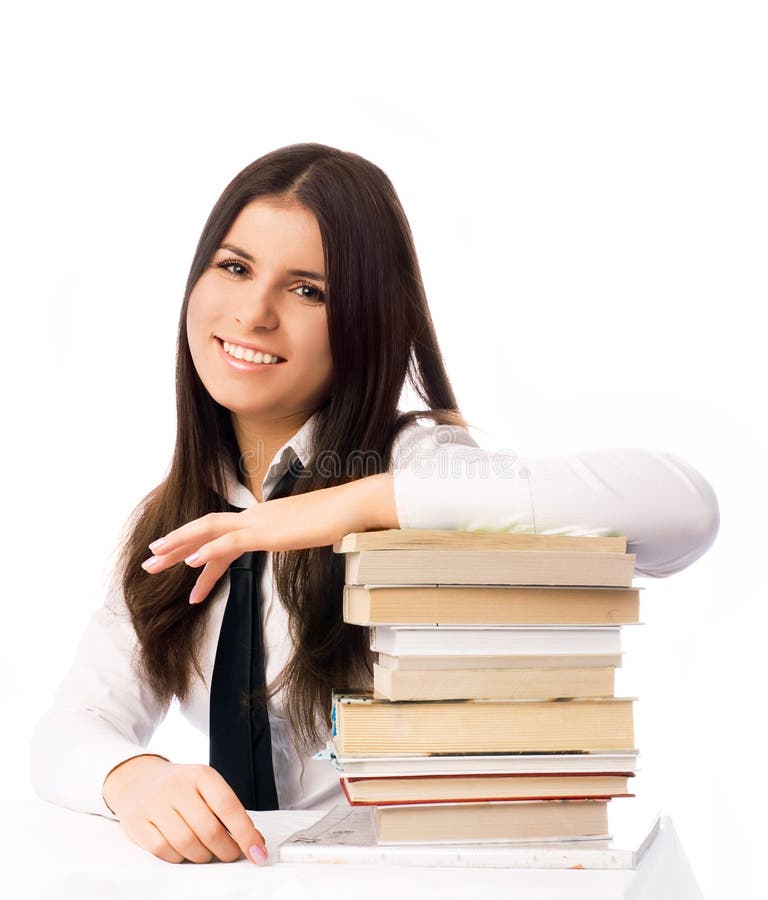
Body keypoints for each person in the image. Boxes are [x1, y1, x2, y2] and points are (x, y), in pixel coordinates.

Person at [29, 143, 720, 867]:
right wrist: (131, 778)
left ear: (364, 318)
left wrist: (352, 505)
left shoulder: (418, 471)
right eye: (235, 268)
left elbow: (684, 509)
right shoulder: (176, 518)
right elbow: (71, 727)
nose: (254, 313)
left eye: (308, 291)